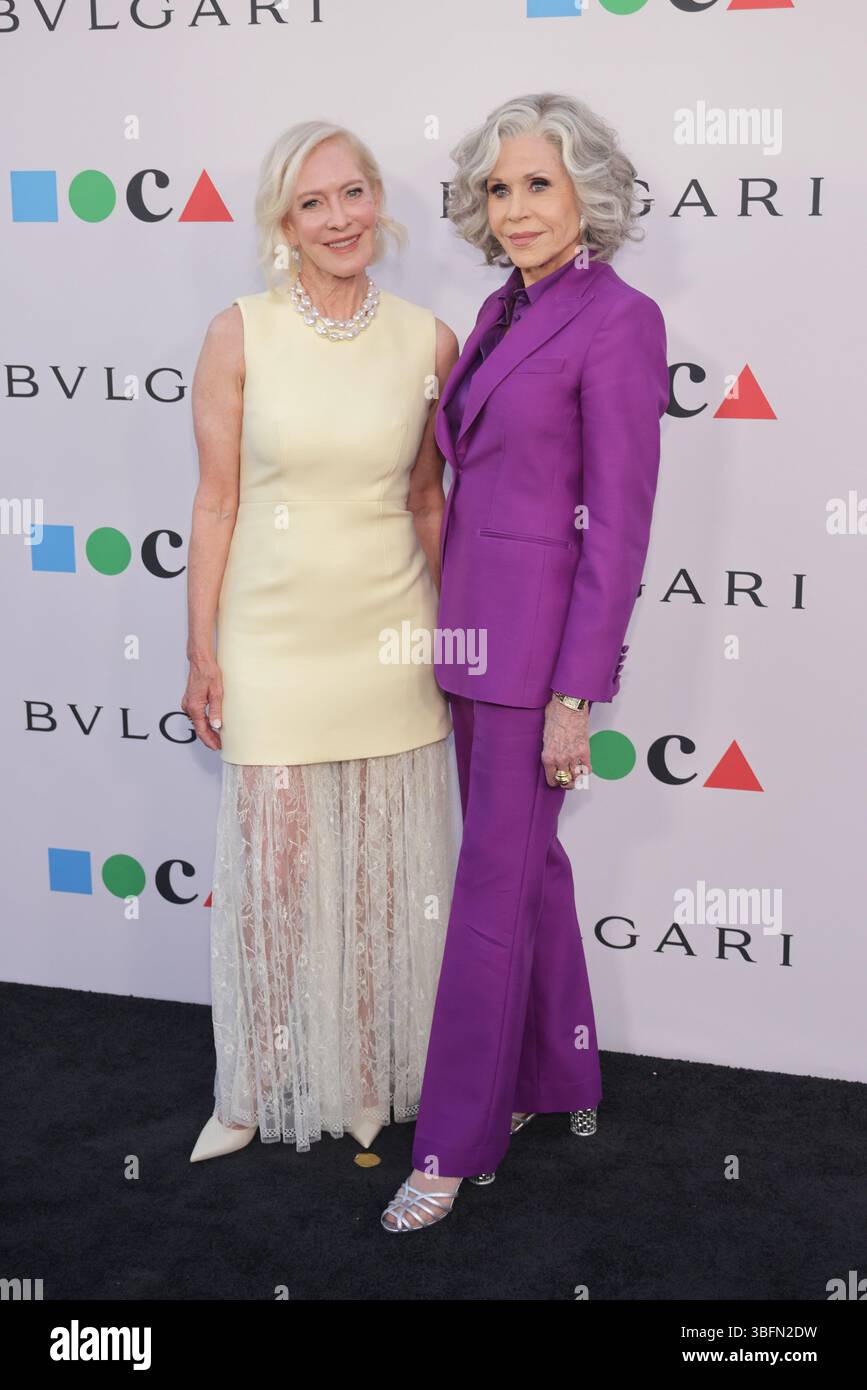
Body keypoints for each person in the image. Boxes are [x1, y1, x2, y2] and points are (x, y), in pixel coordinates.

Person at [381, 92, 669, 1232]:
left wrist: (575, 691)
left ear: (587, 191)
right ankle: (559, 1074)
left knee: (491, 894)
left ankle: (452, 1142)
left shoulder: (620, 319)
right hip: (469, 640)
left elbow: (622, 524)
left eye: (539, 183)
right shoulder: (501, 309)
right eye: (500, 188)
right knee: (530, 869)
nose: (516, 207)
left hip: (537, 658)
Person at [182, 120, 459, 1162]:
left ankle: (369, 1082)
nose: (339, 219)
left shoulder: (430, 339)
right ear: (282, 224)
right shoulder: (238, 333)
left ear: (378, 202)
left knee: (385, 876)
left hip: (391, 635)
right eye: (313, 203)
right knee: (277, 873)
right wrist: (203, 650)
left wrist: (463, 638)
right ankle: (250, 1088)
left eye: (353, 194)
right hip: (273, 636)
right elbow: (215, 504)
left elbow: (429, 501)